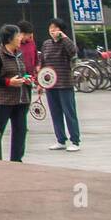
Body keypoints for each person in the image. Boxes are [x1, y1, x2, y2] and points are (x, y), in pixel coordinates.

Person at [0, 24, 32, 161]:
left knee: (20, 131)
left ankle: (16, 160)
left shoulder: (18, 54)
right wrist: (8, 82)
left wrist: (27, 79)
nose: (20, 38)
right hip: (3, 101)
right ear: (10, 38)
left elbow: (22, 73)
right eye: (18, 35)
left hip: (21, 100)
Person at [40, 17, 80, 151]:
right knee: (55, 113)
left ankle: (75, 141)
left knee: (69, 113)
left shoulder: (66, 42)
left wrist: (64, 37)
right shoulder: (46, 44)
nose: (52, 30)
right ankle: (60, 140)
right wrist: (40, 82)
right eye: (51, 28)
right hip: (51, 84)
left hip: (65, 83)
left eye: (55, 28)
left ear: (61, 30)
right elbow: (43, 63)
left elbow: (73, 51)